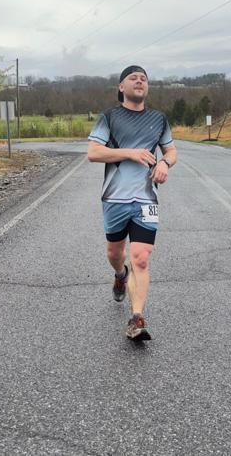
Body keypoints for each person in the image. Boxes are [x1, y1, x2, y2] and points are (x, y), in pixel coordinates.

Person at [87, 65, 177, 341]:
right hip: (114, 198)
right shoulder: (109, 117)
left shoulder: (158, 119)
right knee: (116, 253)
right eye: (133, 78)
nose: (139, 81)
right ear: (121, 87)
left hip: (146, 198)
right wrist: (130, 153)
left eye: (144, 79)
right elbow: (93, 153)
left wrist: (164, 162)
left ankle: (137, 317)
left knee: (141, 257)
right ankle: (119, 274)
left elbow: (172, 150)